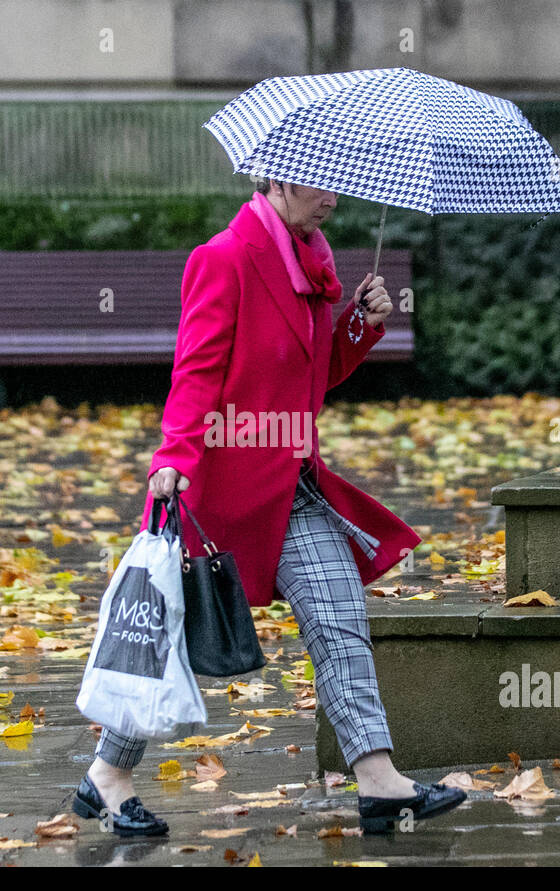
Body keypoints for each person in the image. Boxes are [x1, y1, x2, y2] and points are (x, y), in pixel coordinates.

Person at [72, 179, 465, 836]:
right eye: (321, 182)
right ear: (276, 177)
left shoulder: (314, 263)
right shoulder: (224, 258)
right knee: (163, 633)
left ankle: (378, 780)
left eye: (340, 183)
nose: (334, 196)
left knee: (341, 622)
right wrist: (174, 457)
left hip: (293, 484)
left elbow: (314, 372)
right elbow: (195, 369)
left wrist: (361, 324)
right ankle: (108, 772)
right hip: (218, 492)